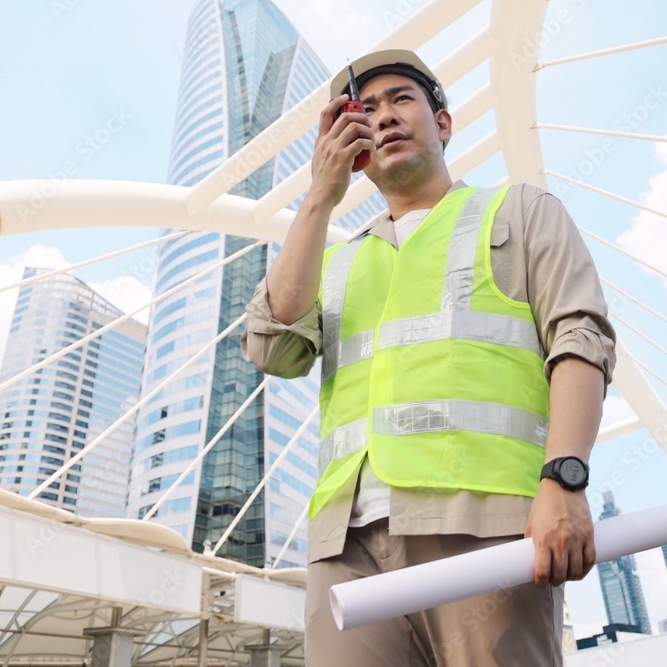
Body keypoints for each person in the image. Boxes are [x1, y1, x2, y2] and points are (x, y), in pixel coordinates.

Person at [241, 49, 616, 666]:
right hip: (346, 546)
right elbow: (272, 350)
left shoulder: (517, 212)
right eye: (367, 110)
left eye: (401, 100)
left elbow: (582, 340)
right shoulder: (334, 261)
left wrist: (564, 478)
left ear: (442, 124)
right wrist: (319, 195)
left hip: (484, 524)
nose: (383, 116)